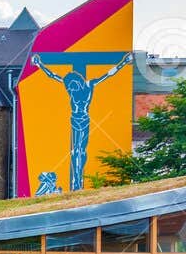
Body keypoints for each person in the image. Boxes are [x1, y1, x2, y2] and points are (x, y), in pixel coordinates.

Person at [30, 52, 133, 190]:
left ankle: (79, 176)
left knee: (81, 150)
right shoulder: (70, 88)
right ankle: (76, 180)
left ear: (78, 82)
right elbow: (53, 75)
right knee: (75, 151)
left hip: (84, 121)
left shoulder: (90, 85)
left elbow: (108, 75)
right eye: (69, 88)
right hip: (75, 120)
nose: (71, 91)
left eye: (73, 87)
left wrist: (123, 63)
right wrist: (39, 64)